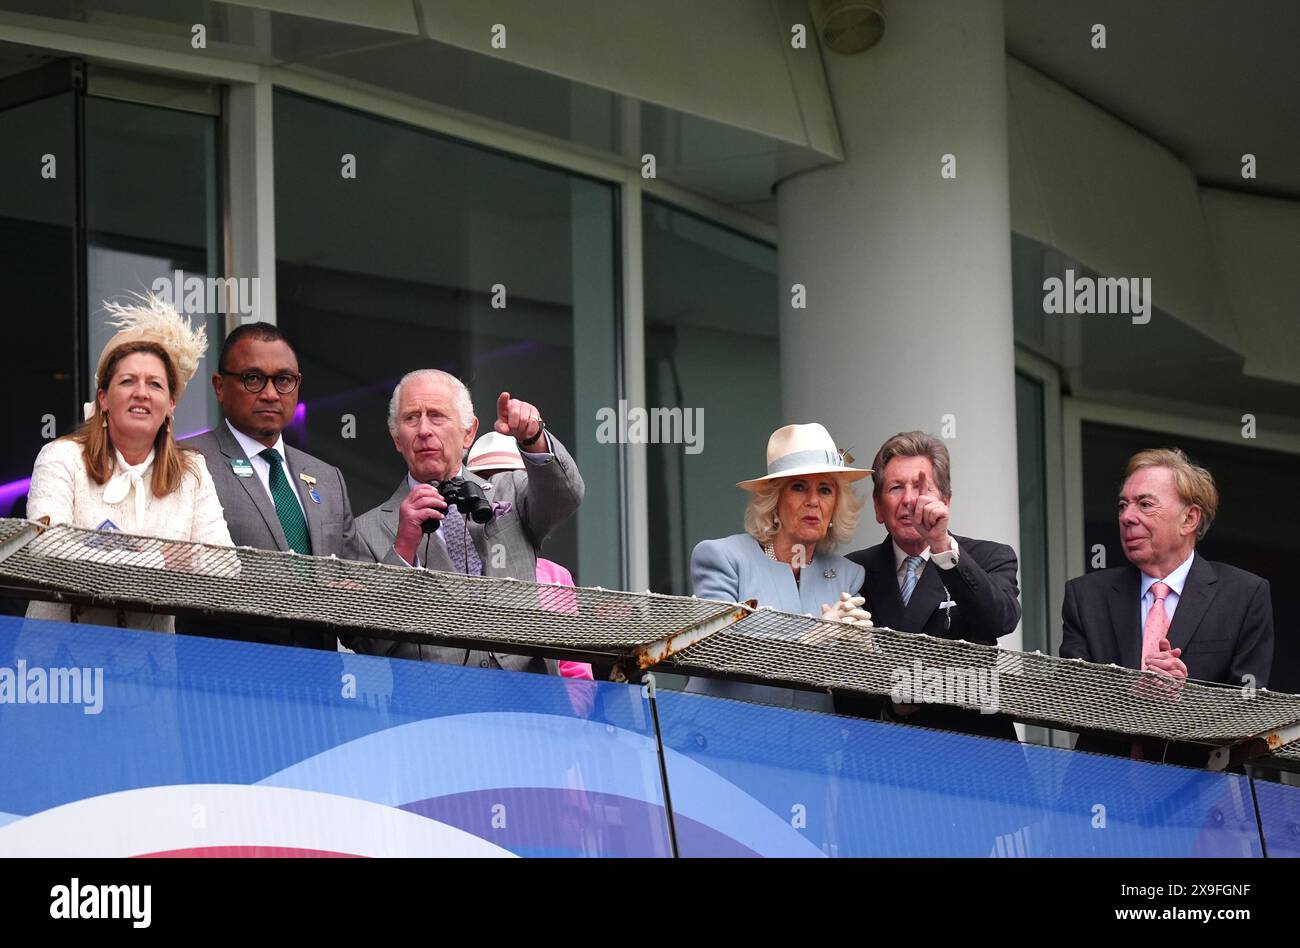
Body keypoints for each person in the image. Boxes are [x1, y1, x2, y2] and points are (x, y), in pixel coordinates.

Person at [352, 369, 584, 672]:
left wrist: (533, 438)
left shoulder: (510, 490)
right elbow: (366, 642)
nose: (423, 430)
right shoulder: (365, 530)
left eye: (436, 415)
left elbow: (566, 494)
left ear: (468, 432)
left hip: (530, 704)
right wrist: (402, 551)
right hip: (434, 711)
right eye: (411, 418)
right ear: (397, 438)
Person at [25, 294, 233, 632]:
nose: (142, 392)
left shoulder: (192, 472)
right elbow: (47, 550)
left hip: (152, 673)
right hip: (60, 669)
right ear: (103, 398)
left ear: (171, 404)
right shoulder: (61, 457)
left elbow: (225, 565)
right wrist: (159, 559)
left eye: (155, 384)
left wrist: (97, 558)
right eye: (127, 381)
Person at [1061, 447, 1273, 760]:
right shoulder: (1087, 595)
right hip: (1098, 791)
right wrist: (1135, 695)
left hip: (1201, 793)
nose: (1126, 517)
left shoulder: (1244, 595)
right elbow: (1068, 697)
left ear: (1189, 518)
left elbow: (1248, 705)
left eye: (1144, 504)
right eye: (1123, 505)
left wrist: (1183, 696)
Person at [179, 322, 363, 650]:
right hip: (227, 685)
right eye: (252, 378)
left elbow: (355, 606)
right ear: (220, 387)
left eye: (283, 380)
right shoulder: (188, 462)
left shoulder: (327, 478)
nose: (270, 393)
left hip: (319, 689)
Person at [842, 431, 1021, 741]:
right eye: (896, 488)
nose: (910, 500)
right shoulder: (853, 570)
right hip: (882, 761)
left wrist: (940, 545)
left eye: (922, 488)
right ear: (878, 506)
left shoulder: (990, 557)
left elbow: (1001, 619)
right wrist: (892, 702)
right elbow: (844, 679)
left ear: (946, 501)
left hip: (973, 757)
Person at [688, 422, 873, 710]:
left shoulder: (848, 575)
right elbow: (715, 653)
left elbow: (848, 682)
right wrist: (814, 639)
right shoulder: (723, 558)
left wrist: (862, 651)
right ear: (774, 500)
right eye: (799, 487)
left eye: (825, 490)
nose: (813, 501)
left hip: (807, 747)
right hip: (720, 740)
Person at [466, 431, 593, 682]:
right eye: (484, 481)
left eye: (511, 479)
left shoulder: (556, 577)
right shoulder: (451, 558)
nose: (497, 492)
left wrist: (564, 716)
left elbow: (575, 671)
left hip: (539, 712)